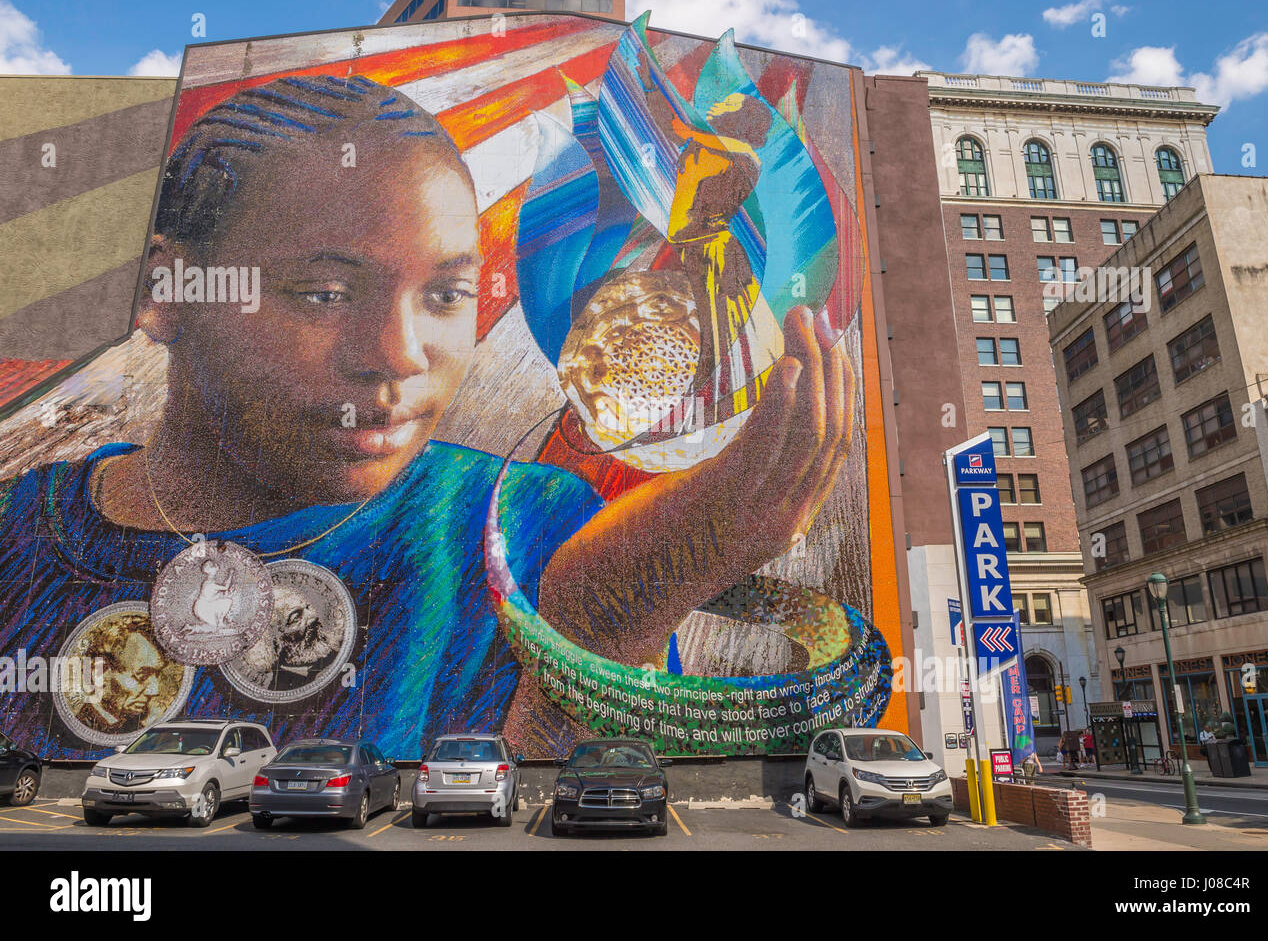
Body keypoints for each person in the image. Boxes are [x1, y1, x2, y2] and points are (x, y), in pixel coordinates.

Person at [0, 75, 852, 759]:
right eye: (325, 293)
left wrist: (603, 627)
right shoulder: (16, 530)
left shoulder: (533, 527)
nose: (400, 353)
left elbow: (586, 812)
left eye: (445, 294)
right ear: (167, 291)